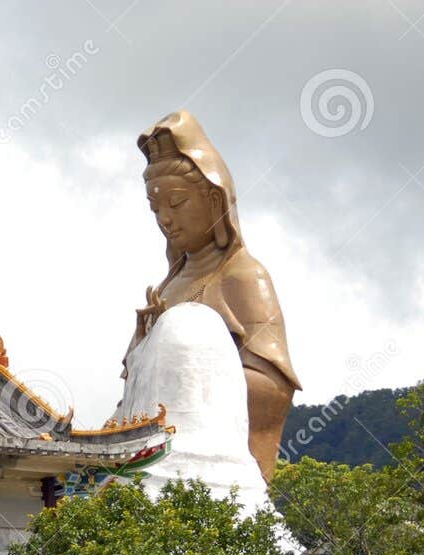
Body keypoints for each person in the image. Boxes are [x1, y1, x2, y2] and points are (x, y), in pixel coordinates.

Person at [124, 109, 300, 482]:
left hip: (206, 464)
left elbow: (274, 390)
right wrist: (144, 350)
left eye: (176, 203)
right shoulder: (167, 287)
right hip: (151, 462)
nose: (165, 219)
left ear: (215, 200)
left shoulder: (243, 276)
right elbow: (132, 397)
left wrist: (192, 362)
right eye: (155, 208)